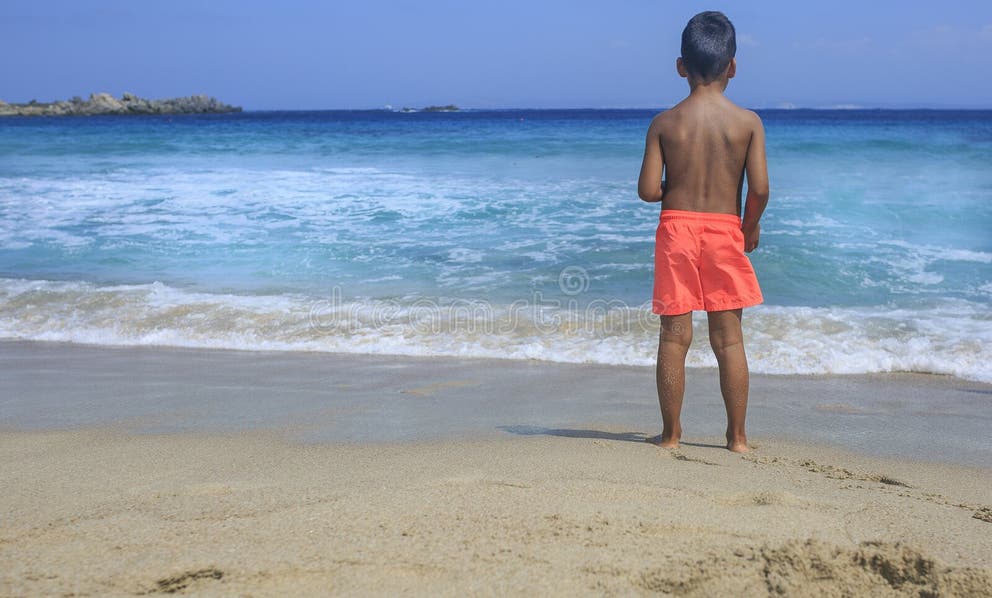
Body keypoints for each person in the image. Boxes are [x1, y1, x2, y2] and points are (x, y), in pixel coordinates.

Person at [637, 10, 769, 453]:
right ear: (733, 66)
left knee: (674, 337)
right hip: (724, 230)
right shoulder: (747, 122)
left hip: (676, 230)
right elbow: (760, 189)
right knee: (729, 339)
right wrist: (749, 228)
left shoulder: (664, 123)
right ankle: (737, 438)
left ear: (680, 66)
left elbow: (646, 190)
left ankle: (671, 435)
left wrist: (673, 189)